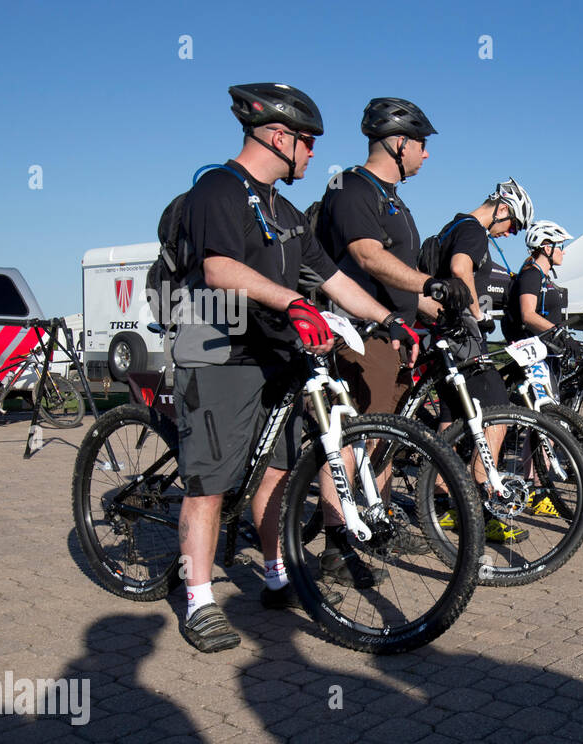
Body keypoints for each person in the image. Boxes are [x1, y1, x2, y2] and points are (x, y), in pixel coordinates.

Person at [174, 83, 416, 653]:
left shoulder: (286, 211)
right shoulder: (217, 188)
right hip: (220, 350)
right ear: (278, 136)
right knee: (209, 484)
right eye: (308, 143)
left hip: (279, 355)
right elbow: (217, 268)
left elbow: (331, 279)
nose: (312, 154)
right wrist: (291, 302)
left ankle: (277, 572)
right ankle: (199, 600)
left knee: (280, 471)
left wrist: (387, 321)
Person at [314, 97, 465, 584]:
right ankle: (336, 543)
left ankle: (376, 521)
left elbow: (404, 280)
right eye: (422, 143)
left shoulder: (395, 200)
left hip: (395, 338)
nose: (427, 153)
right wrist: (428, 284)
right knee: (347, 441)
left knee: (384, 438)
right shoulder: (352, 187)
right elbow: (366, 254)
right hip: (359, 335)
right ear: (399, 142)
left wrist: (444, 312)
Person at [430, 177, 537, 541]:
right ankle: (479, 506)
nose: (509, 234)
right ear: (502, 209)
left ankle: (442, 505)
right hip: (462, 336)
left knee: (450, 417)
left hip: (442, 336)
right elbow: (461, 269)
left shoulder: (452, 226)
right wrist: (479, 314)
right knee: (495, 411)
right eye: (512, 226)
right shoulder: (474, 229)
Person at [503, 220, 573, 344]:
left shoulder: (542, 277)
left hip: (550, 350)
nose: (564, 252)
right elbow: (528, 315)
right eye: (561, 246)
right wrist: (562, 335)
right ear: (547, 249)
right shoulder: (531, 275)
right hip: (536, 352)